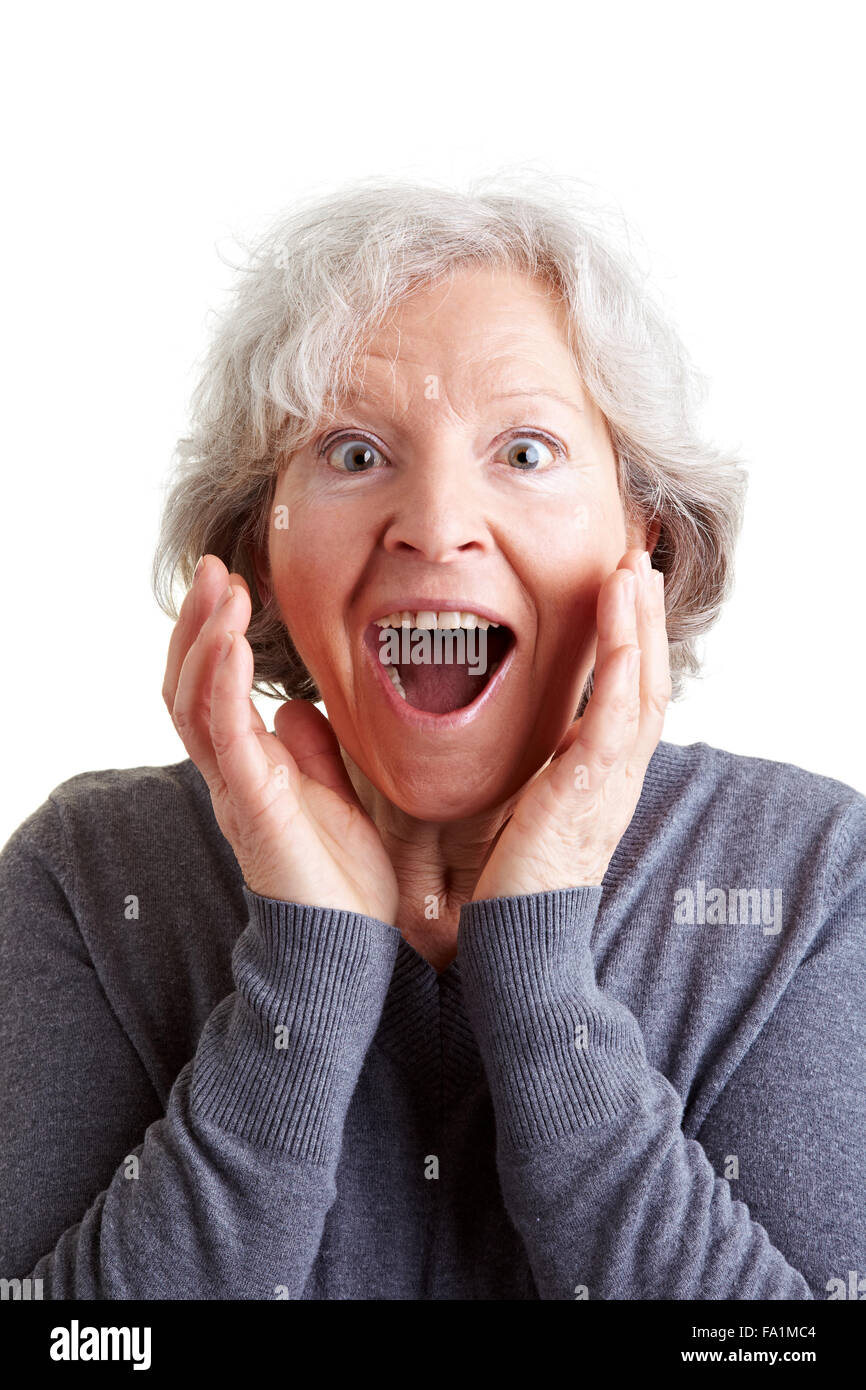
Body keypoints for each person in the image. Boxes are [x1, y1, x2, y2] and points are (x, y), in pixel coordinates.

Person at [1, 175, 863, 1300]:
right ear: (257, 559)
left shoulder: (808, 881)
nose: (438, 526)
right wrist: (305, 976)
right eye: (353, 455)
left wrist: (537, 965)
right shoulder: (86, 877)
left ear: (639, 543)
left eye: (525, 452)